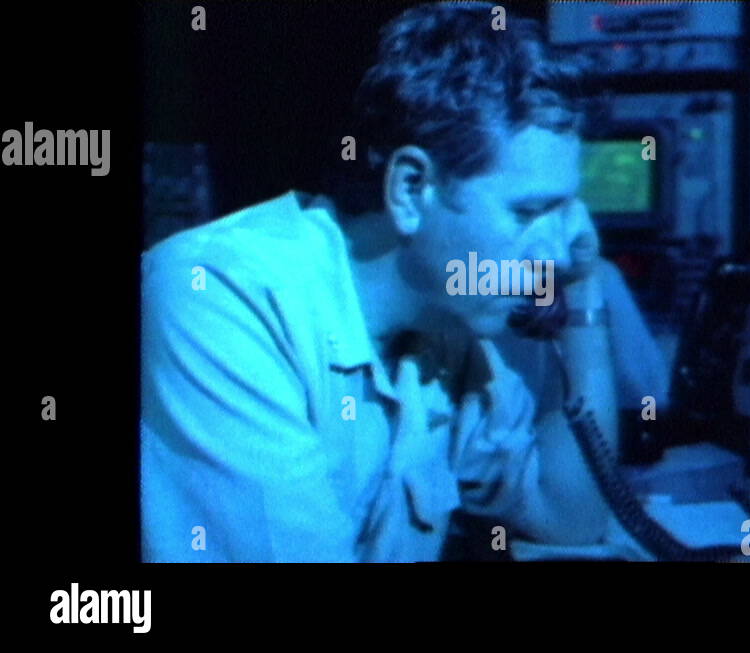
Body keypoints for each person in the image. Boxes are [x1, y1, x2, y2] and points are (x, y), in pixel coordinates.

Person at [141, 2, 667, 562]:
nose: (557, 248)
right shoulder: (224, 295)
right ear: (413, 189)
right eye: (529, 212)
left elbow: (573, 518)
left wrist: (581, 285)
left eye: (565, 212)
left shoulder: (451, 319)